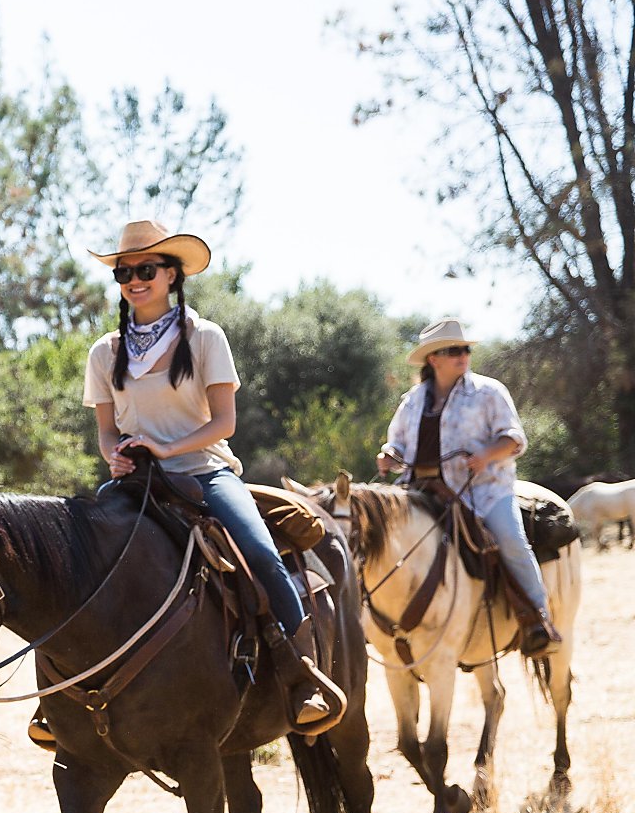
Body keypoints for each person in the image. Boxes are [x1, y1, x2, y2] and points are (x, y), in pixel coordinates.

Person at [69, 219, 345, 739]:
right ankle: (62, 700)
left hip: (204, 472)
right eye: (125, 271)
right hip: (136, 482)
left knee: (260, 555)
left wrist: (168, 448)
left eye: (146, 269)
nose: (134, 279)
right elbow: (106, 432)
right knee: (79, 558)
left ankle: (302, 675)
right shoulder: (104, 352)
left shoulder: (205, 338)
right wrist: (117, 458)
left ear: (171, 274)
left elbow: (224, 423)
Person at [377, 318, 559, 656]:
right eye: (454, 350)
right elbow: (397, 442)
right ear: (434, 359)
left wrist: (487, 455)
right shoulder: (413, 400)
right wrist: (390, 455)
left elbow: (514, 438)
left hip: (484, 491)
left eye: (466, 349)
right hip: (419, 492)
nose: (463, 355)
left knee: (511, 540)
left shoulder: (489, 392)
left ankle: (538, 619)